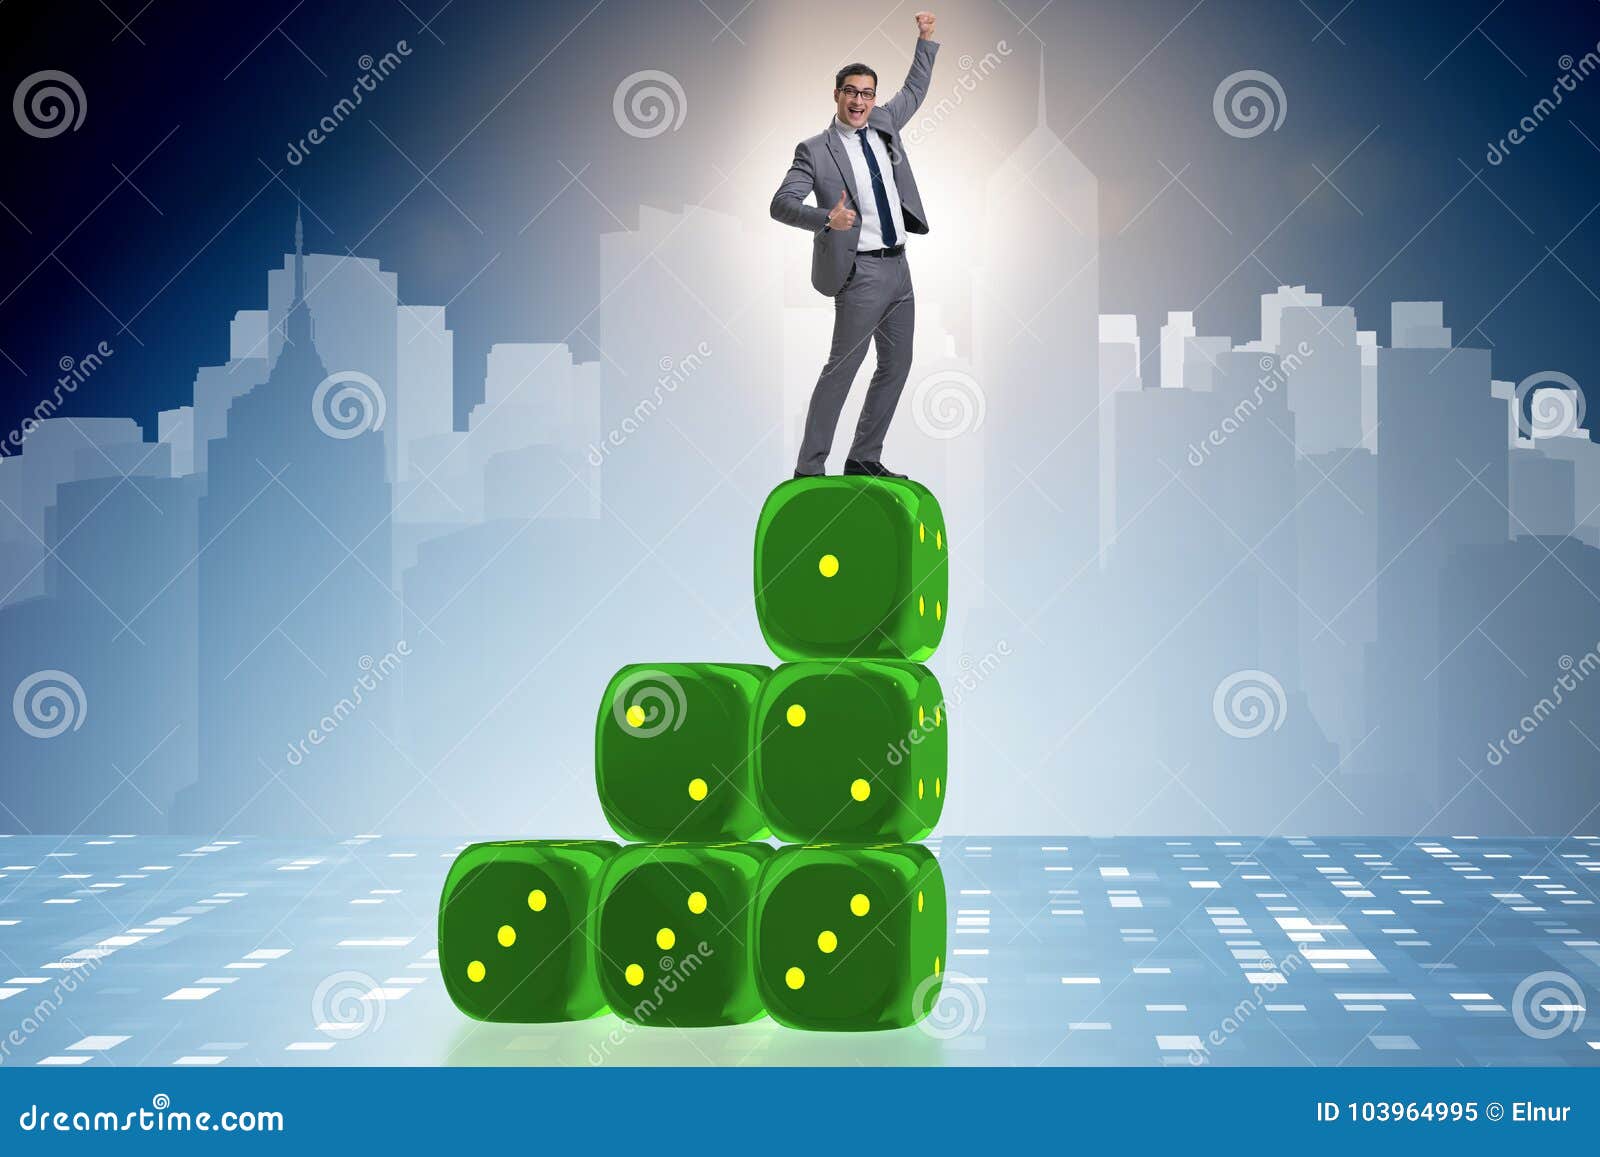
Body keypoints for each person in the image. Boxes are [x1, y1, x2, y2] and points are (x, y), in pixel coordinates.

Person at [770, 11, 939, 479]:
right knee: (842, 369)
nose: (860, 101)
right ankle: (809, 469)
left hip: (900, 268)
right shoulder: (815, 150)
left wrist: (925, 38)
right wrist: (827, 218)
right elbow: (780, 203)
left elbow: (916, 90)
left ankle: (864, 457)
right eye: (851, 92)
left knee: (897, 364)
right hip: (860, 273)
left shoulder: (885, 122)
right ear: (837, 95)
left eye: (867, 93)